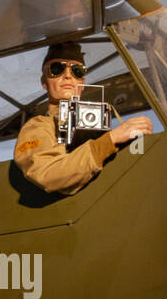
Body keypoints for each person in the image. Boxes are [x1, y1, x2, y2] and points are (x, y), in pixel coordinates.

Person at [12, 41, 153, 195]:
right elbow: (47, 174)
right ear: (44, 82)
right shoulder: (39, 126)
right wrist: (108, 142)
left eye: (77, 71)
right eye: (56, 69)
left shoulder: (98, 121)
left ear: (83, 82)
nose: (67, 75)